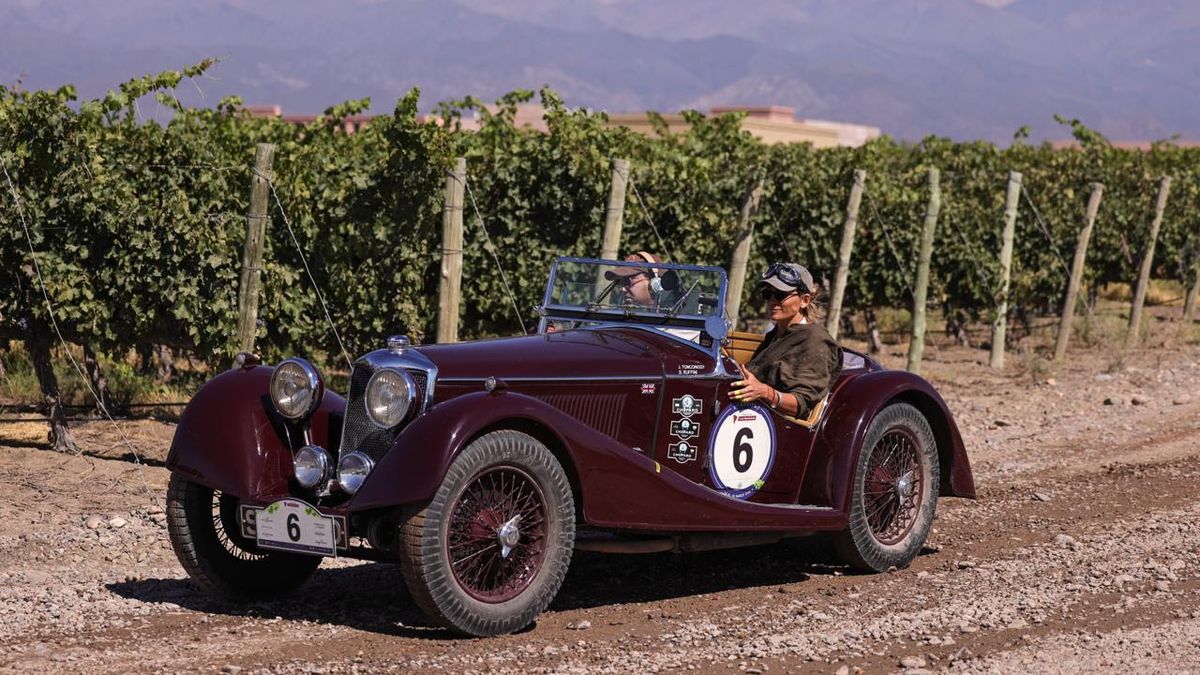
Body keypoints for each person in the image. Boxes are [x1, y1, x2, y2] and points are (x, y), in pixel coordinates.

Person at [729, 262, 841, 419]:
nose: (772, 301)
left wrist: (765, 392)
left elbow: (802, 403)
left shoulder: (816, 341)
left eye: (781, 295)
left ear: (805, 300)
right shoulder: (777, 334)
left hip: (778, 425)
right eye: (768, 294)